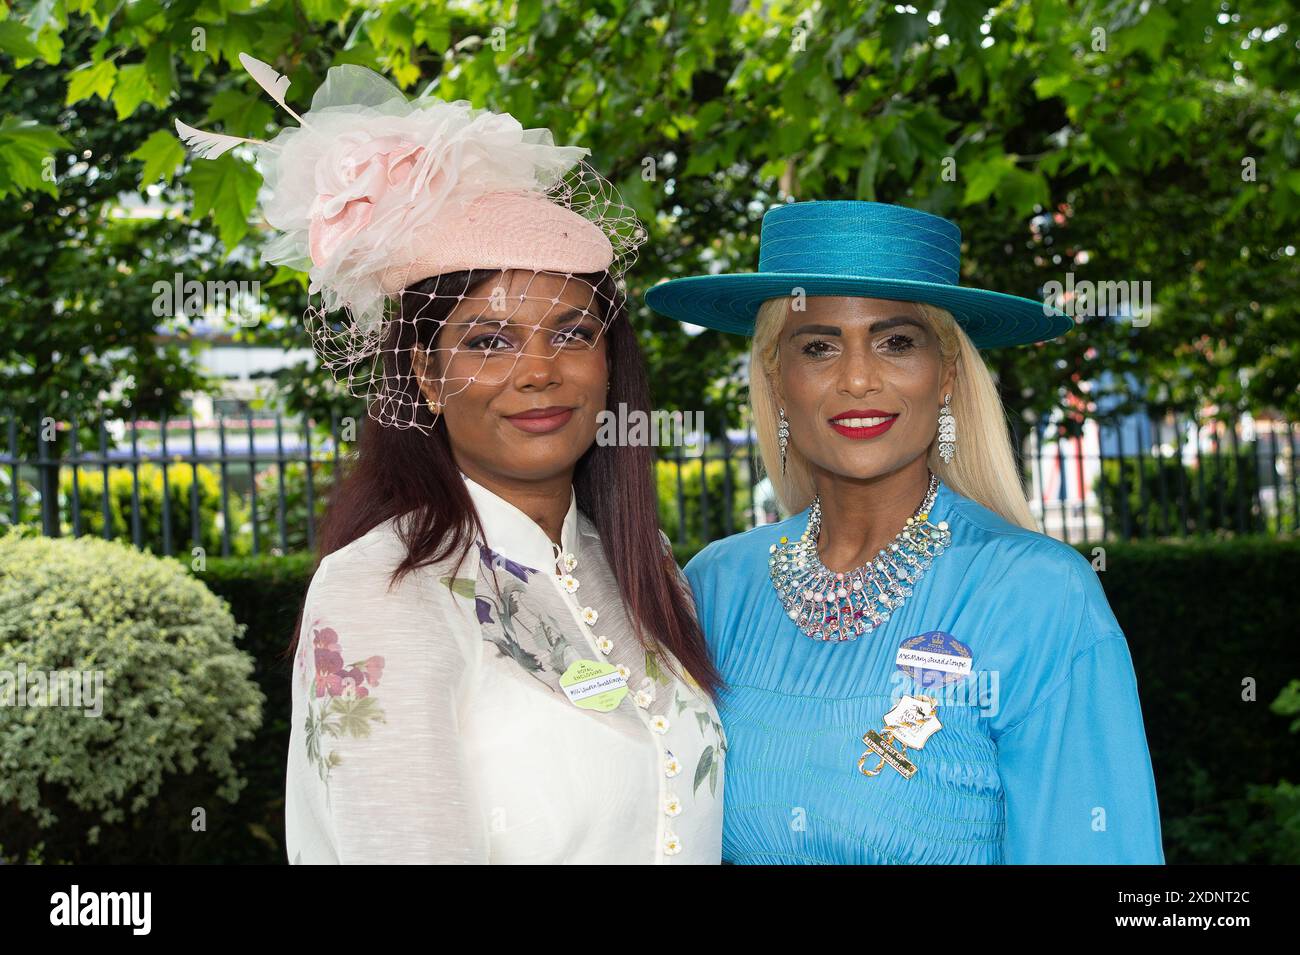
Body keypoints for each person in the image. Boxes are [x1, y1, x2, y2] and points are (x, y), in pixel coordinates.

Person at [178, 54, 724, 863]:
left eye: (572, 333)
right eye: (489, 340)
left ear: (611, 362)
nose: (538, 370)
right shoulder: (384, 587)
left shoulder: (646, 572)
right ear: (425, 376)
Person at [645, 199, 1165, 864]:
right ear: (777, 378)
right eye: (818, 346)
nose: (859, 377)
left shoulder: (1037, 593)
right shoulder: (717, 586)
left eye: (896, 341)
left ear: (946, 374)